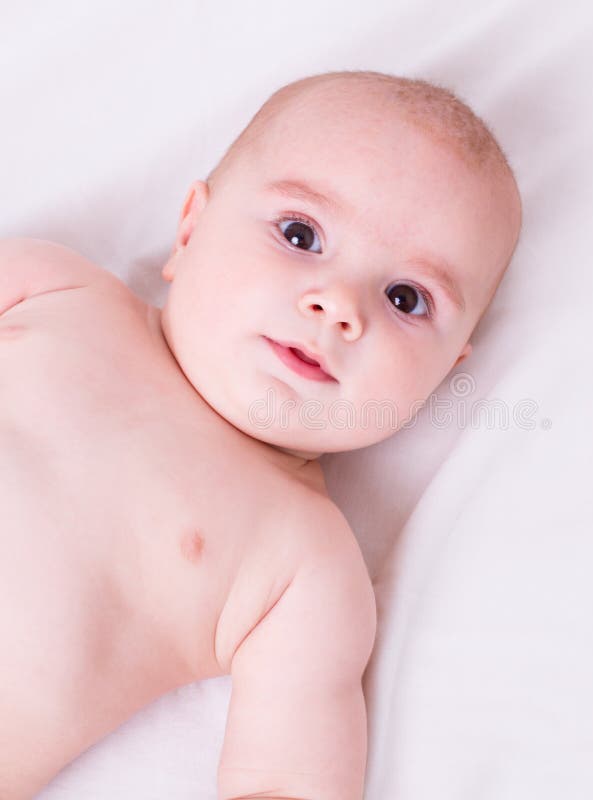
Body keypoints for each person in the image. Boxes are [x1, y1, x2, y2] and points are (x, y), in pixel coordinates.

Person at [0, 69, 522, 800]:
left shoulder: (304, 567)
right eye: (301, 234)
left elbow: (285, 780)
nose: (337, 304)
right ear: (189, 230)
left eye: (407, 299)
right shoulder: (51, 287)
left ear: (441, 375)